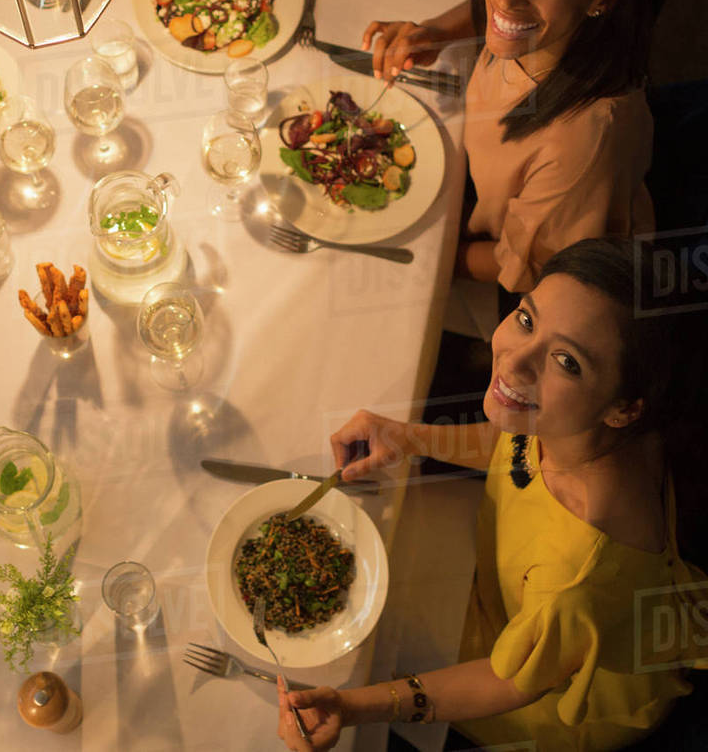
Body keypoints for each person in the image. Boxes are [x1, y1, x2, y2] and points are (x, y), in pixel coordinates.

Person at [277, 239, 707, 751]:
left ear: (625, 409)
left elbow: (508, 680)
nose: (514, 363)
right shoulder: (586, 426)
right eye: (526, 320)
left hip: (545, 677)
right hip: (509, 587)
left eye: (566, 361)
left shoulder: (578, 581)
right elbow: (514, 445)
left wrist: (353, 706)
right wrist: (407, 437)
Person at [364, 0, 661, 294]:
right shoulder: (534, 29)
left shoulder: (580, 142)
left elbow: (532, 265)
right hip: (477, 188)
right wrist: (437, 32)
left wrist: (416, 249)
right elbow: (495, 6)